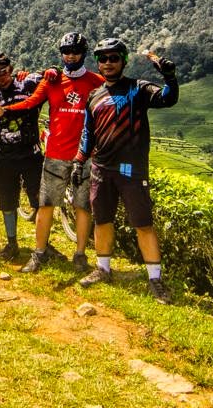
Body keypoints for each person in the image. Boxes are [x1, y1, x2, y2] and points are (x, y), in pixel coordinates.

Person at [76, 39, 179, 303]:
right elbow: (88, 131)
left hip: (132, 170)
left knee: (143, 224)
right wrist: (80, 160)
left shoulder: (138, 89)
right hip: (101, 168)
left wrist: (169, 76)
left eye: (113, 58)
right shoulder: (94, 95)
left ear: (123, 61)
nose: (108, 63)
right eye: (103, 58)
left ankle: (155, 279)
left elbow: (168, 99)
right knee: (102, 220)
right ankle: (103, 269)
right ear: (98, 62)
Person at [0, 31, 104, 273]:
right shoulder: (52, 80)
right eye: (66, 51)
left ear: (83, 53)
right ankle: (39, 254)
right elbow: (31, 102)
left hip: (85, 154)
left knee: (83, 206)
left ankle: (81, 255)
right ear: (61, 54)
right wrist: (6, 110)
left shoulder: (96, 82)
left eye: (75, 51)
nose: (70, 56)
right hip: (55, 153)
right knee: (46, 205)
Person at [0, 52, 43, 260]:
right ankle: (11, 243)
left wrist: (44, 72)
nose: (0, 77)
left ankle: (43, 246)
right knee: (7, 201)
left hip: (31, 153)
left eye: (3, 72)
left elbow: (52, 75)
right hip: (7, 155)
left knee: (38, 200)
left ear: (11, 68)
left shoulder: (28, 83)